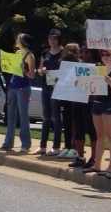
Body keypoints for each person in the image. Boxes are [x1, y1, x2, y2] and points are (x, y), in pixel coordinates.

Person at [0, 33, 36, 152]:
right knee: (10, 116)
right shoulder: (17, 53)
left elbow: (32, 75)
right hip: (13, 87)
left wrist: (23, 70)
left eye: (18, 39)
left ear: (23, 41)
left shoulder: (30, 55)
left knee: (23, 116)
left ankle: (25, 144)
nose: (16, 40)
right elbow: (12, 69)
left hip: (23, 88)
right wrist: (3, 62)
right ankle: (7, 143)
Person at [91, 49, 111, 178]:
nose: (104, 57)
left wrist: (110, 82)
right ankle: (97, 165)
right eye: (102, 54)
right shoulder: (100, 67)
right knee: (99, 136)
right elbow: (93, 87)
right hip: (97, 102)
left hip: (110, 103)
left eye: (107, 54)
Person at [35, 28, 65, 156]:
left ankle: (56, 147)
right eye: (50, 38)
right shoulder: (45, 53)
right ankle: (42, 146)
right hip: (46, 87)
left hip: (58, 88)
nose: (51, 41)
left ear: (58, 40)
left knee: (56, 118)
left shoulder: (64, 53)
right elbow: (39, 69)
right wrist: (41, 71)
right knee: (46, 117)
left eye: (54, 38)